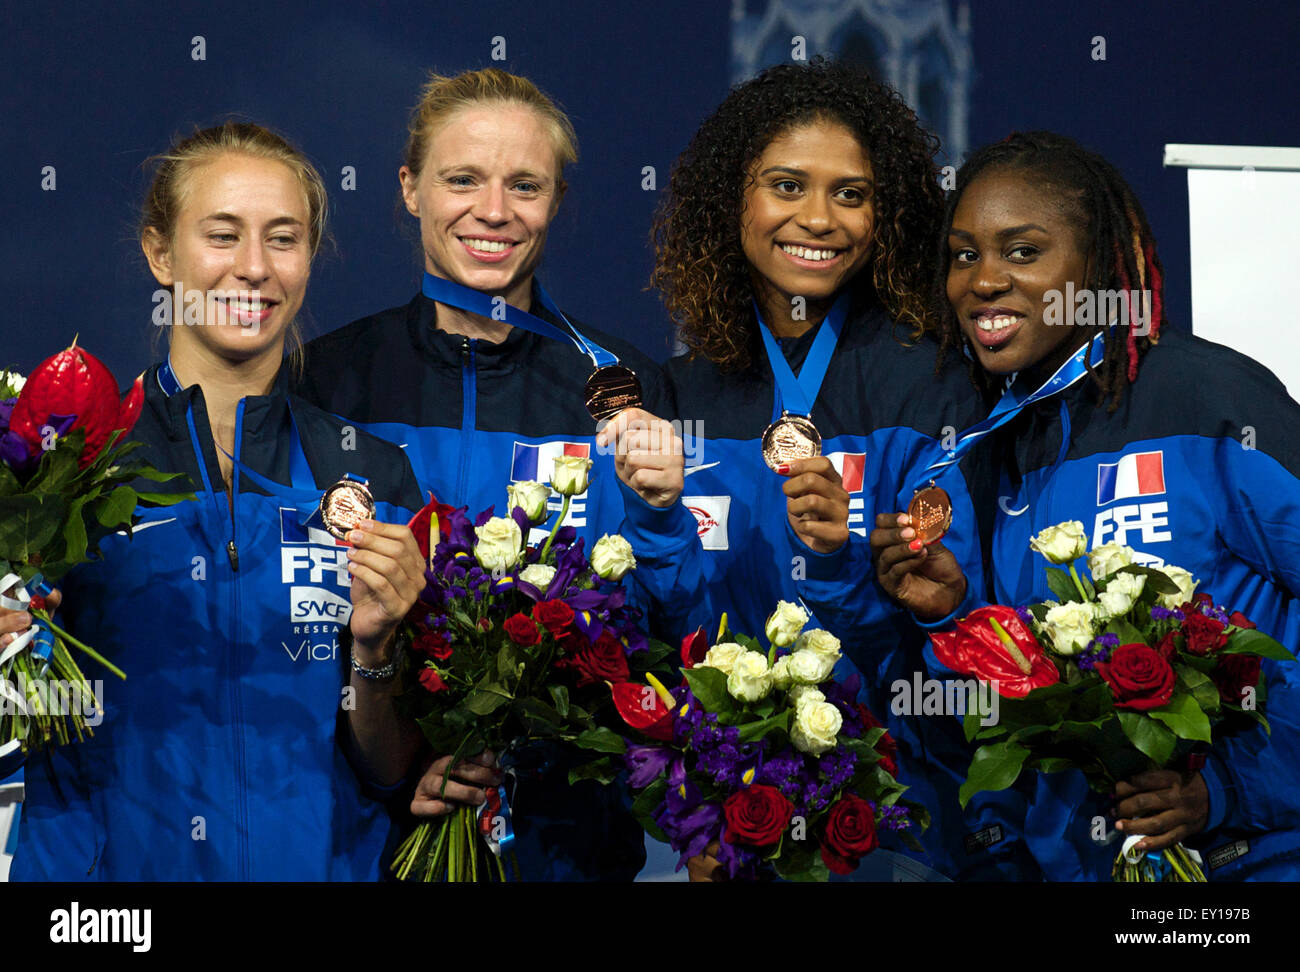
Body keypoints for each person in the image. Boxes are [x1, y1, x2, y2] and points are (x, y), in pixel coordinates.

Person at [293, 68, 705, 880]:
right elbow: (298, 628)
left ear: (555, 202)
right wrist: (397, 760)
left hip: (572, 848)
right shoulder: (325, 381)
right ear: (409, 189)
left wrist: (661, 520)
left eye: (525, 185)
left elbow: (669, 630)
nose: (493, 211)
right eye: (462, 180)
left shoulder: (624, 387)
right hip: (373, 840)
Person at [873, 130, 1300, 879]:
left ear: (1098, 265)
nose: (983, 281)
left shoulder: (1210, 400)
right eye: (964, 254)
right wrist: (947, 616)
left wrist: (1225, 791)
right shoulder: (979, 454)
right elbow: (1005, 722)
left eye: (1023, 252)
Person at [9, 121, 427, 881]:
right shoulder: (60, 475)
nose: (255, 269)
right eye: (223, 235)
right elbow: (23, 727)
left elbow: (391, 772)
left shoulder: (374, 476)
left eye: (284, 238)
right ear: (160, 253)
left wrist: (375, 650)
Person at [650, 58, 1032, 881]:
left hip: (903, 828)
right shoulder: (676, 392)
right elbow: (663, 626)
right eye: (787, 186)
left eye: (851, 194)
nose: (819, 219)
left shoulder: (933, 381)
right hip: (724, 829)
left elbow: (952, 639)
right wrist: (698, 803)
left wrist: (835, 562)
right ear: (733, 201)